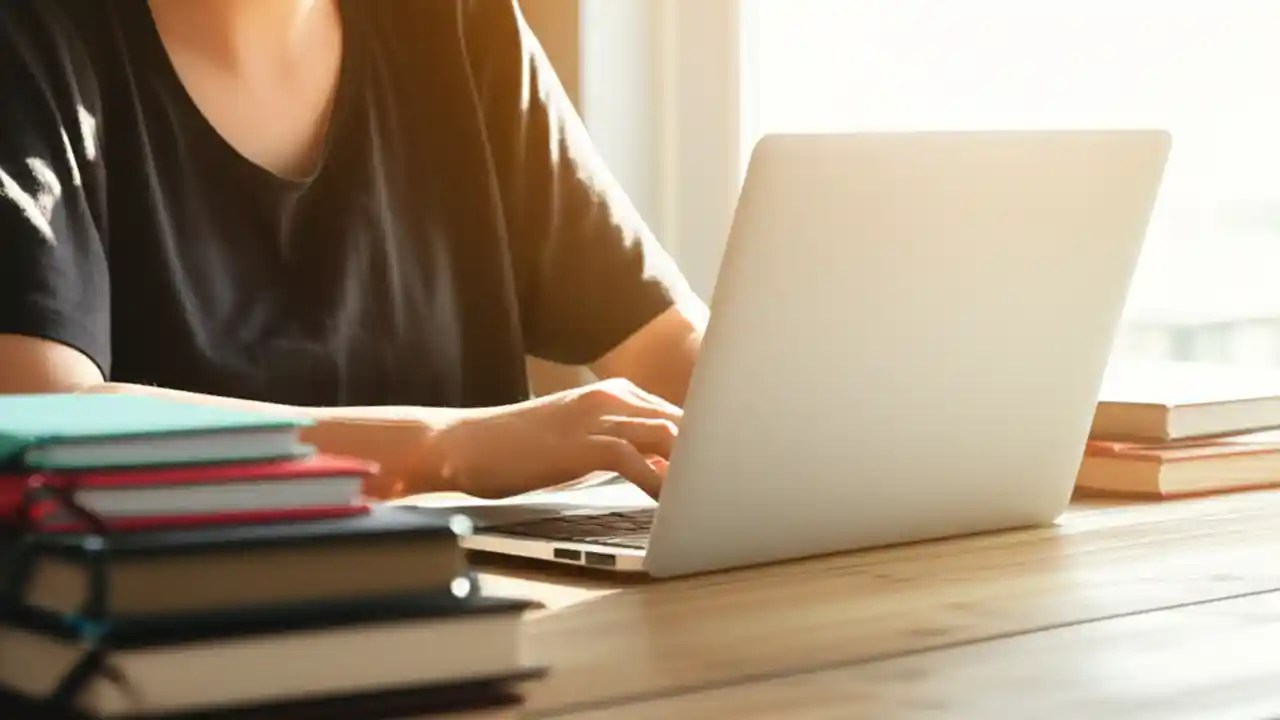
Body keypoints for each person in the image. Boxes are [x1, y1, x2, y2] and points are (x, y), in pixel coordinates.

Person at [0, 0, 707, 500]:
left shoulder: (452, 20)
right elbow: (39, 414)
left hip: (482, 616)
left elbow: (666, 346)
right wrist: (448, 450)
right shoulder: (30, 37)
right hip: (179, 632)